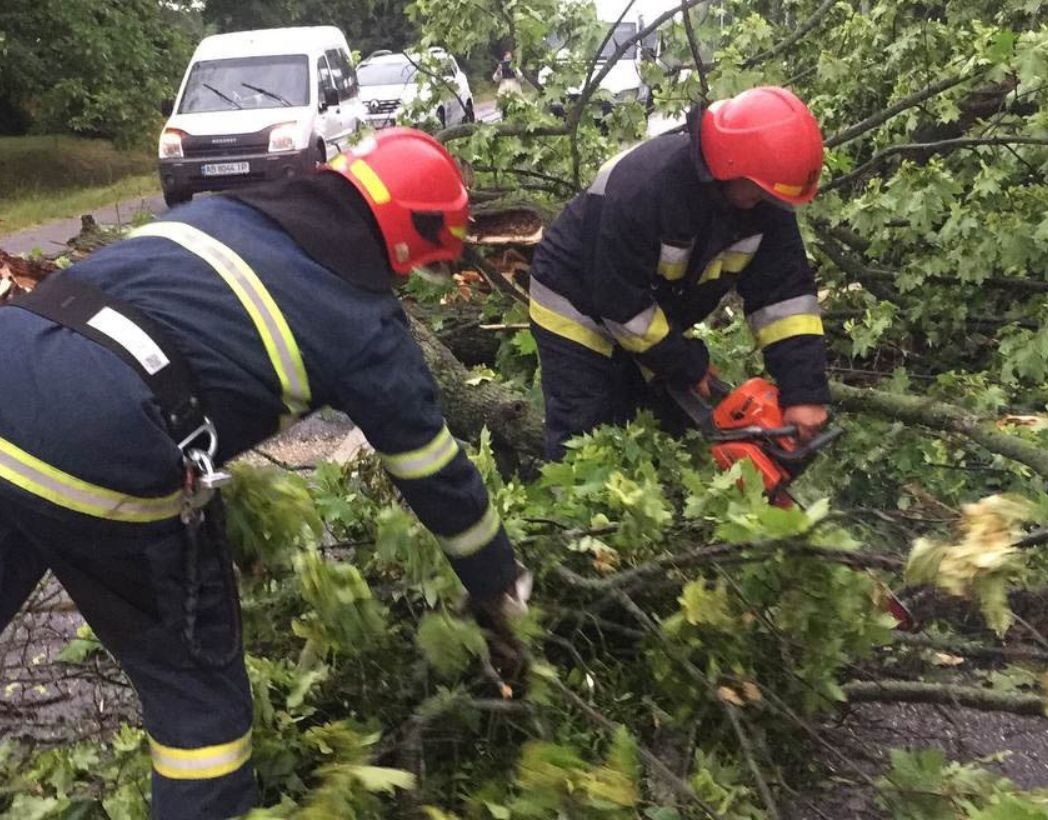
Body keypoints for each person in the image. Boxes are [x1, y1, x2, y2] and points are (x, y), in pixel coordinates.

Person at [0, 129, 528, 818]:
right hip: (100, 447)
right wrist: (501, 589)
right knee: (200, 715)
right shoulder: (364, 328)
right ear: (410, 245)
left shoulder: (228, 211)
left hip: (11, 361)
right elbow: (437, 476)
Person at [528, 85, 830, 460]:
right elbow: (621, 303)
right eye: (759, 193)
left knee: (662, 428)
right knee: (588, 435)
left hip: (649, 309)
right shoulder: (645, 188)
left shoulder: (765, 205)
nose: (766, 204)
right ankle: (574, 493)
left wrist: (804, 391)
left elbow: (786, 300)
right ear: (730, 164)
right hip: (576, 303)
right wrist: (685, 363)